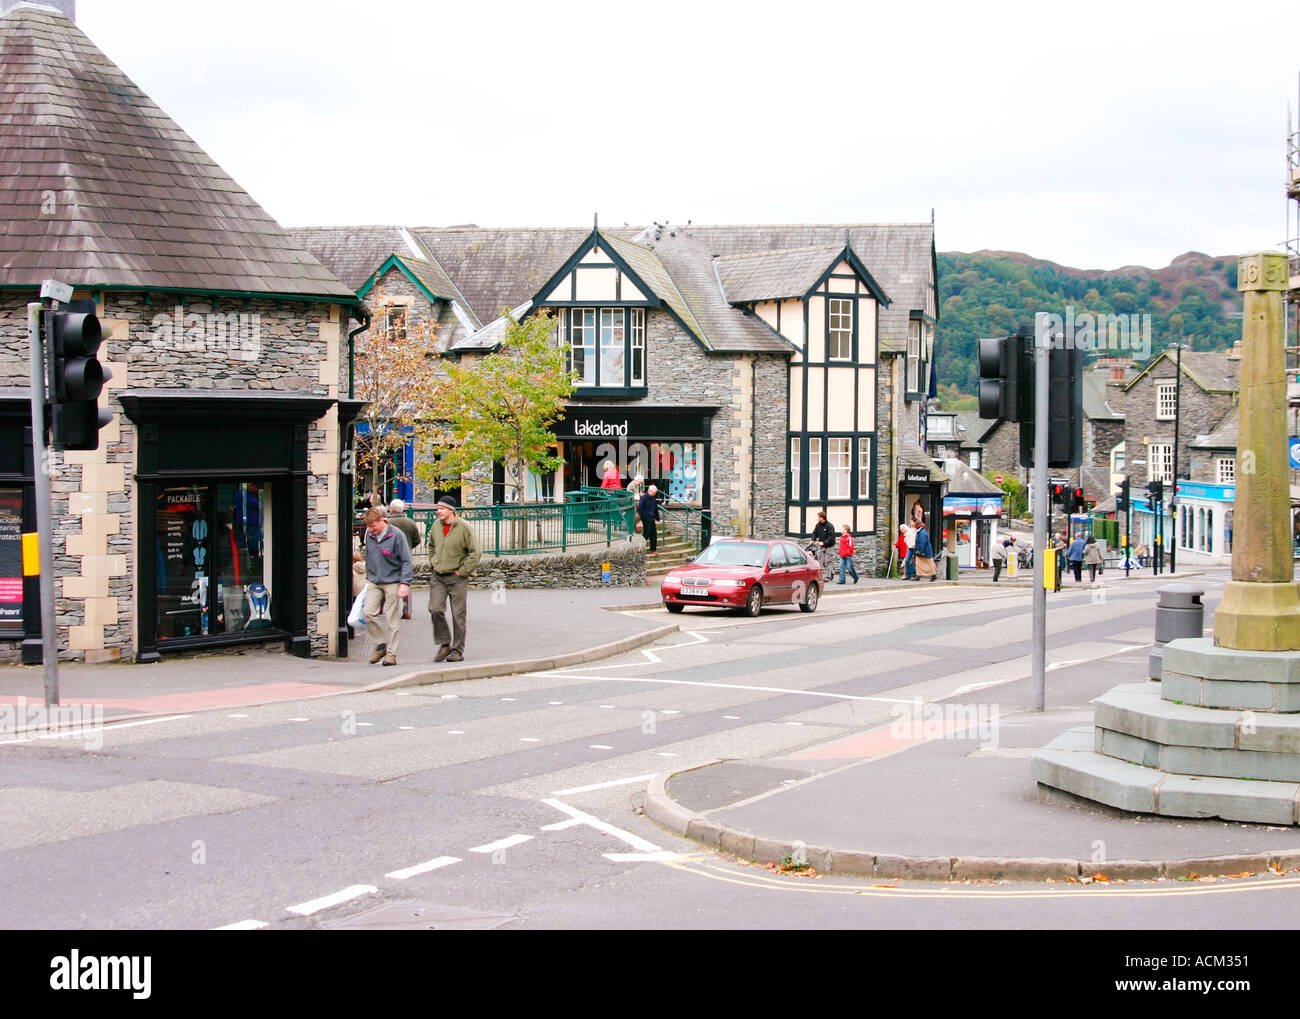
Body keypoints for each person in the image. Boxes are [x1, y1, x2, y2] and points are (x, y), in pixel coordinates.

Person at [428, 496, 480, 664]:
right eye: (437, 508)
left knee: (458, 615)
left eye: (441, 509)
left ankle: (457, 650)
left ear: (451, 510)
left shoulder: (464, 528)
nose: (438, 511)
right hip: (438, 576)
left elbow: (475, 552)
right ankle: (444, 644)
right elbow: (431, 546)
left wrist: (463, 571)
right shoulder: (436, 526)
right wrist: (433, 562)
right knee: (435, 609)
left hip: (457, 578)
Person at [363, 506, 412, 666]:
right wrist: (368, 576)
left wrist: (405, 583)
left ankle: (391, 654)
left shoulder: (397, 536)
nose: (371, 529)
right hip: (374, 581)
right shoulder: (370, 535)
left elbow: (406, 560)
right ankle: (381, 643)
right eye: (369, 527)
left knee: (392, 619)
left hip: (393, 581)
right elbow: (368, 555)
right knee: (368, 613)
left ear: (382, 521)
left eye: (373, 525)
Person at [811, 510, 835, 581]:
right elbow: (815, 533)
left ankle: (827, 577)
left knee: (827, 561)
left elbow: (831, 537)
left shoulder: (829, 526)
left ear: (822, 517)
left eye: (818, 517)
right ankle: (831, 572)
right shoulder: (818, 525)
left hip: (829, 545)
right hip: (822, 546)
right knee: (822, 561)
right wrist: (813, 539)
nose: (817, 518)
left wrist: (824, 542)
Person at [912, 516, 936, 581]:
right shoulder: (921, 531)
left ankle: (933, 575)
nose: (913, 526)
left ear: (917, 525)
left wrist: (920, 550)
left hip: (924, 551)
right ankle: (919, 575)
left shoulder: (921, 532)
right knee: (919, 564)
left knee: (929, 563)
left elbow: (922, 542)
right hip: (924, 551)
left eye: (915, 525)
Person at [637, 484, 660, 552]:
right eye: (654, 492)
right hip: (646, 517)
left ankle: (653, 549)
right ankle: (640, 547)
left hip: (651, 517)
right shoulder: (644, 497)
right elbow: (640, 508)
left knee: (654, 533)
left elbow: (655, 508)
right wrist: (645, 516)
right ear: (649, 491)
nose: (654, 494)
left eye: (655, 493)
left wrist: (657, 518)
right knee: (647, 532)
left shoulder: (653, 498)